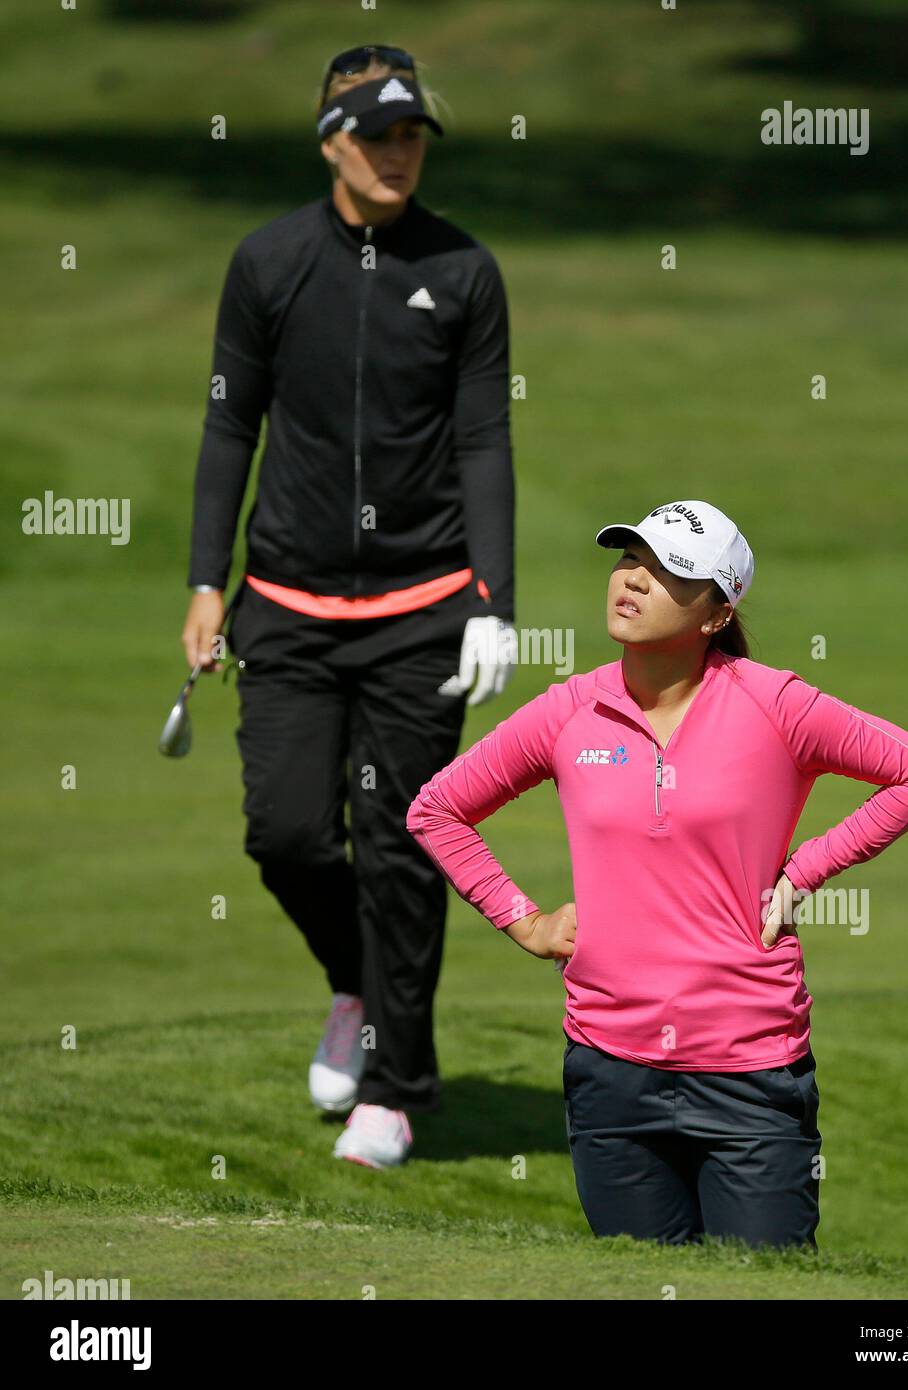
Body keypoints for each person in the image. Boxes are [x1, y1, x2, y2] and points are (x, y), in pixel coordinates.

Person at [406, 499, 908, 1247]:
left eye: (668, 572)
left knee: (761, 1292)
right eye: (629, 559)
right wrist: (524, 920)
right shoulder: (570, 710)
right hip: (609, 1070)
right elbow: (436, 809)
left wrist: (807, 870)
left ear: (714, 613)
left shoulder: (776, 705)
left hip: (751, 1070)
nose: (632, 580)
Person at [181, 43, 519, 1170]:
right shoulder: (268, 262)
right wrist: (202, 580)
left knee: (402, 845)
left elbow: (482, 438)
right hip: (283, 600)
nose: (395, 154)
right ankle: (354, 984)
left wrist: (492, 599)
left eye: (411, 134)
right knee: (282, 832)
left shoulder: (463, 271)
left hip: (424, 606)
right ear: (330, 141)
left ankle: (393, 1085)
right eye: (375, 136)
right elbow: (232, 424)